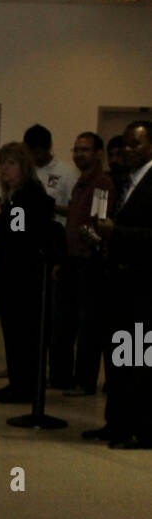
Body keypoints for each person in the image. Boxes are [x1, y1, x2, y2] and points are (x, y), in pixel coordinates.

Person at [83, 120, 152, 448]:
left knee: (139, 363)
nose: (127, 151)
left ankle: (142, 429)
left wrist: (117, 232)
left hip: (142, 290)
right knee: (118, 362)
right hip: (120, 287)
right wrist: (101, 236)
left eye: (135, 145)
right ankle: (116, 424)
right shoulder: (125, 180)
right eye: (125, 145)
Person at [0, 142, 55, 403]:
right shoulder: (17, 194)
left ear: (23, 166)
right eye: (2, 163)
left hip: (23, 279)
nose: (4, 169)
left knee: (23, 335)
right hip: (14, 277)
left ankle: (24, 386)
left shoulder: (28, 195)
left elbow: (16, 231)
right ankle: (18, 381)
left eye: (10, 163)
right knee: (14, 335)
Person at [54, 133, 114, 396]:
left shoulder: (101, 183)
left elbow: (99, 223)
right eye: (76, 149)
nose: (79, 154)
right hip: (72, 260)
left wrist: (87, 245)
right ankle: (65, 376)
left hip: (88, 263)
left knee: (88, 326)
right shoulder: (81, 182)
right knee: (68, 322)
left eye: (85, 150)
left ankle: (85, 380)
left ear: (98, 153)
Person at [23, 123, 77, 225]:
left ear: (49, 147)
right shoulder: (25, 171)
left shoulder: (67, 172)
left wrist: (50, 206)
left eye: (38, 152)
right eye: (30, 153)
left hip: (56, 235)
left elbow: (76, 211)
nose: (34, 157)